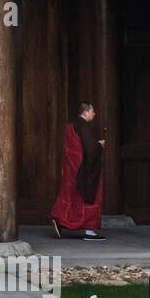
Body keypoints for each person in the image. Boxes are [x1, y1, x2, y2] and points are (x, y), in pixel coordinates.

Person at [50, 102, 105, 240]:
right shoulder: (83, 126)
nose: (94, 114)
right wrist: (99, 145)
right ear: (85, 112)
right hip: (82, 169)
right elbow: (90, 150)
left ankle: (59, 220)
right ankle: (90, 232)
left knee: (70, 197)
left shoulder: (71, 125)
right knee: (89, 196)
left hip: (71, 168)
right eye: (92, 111)